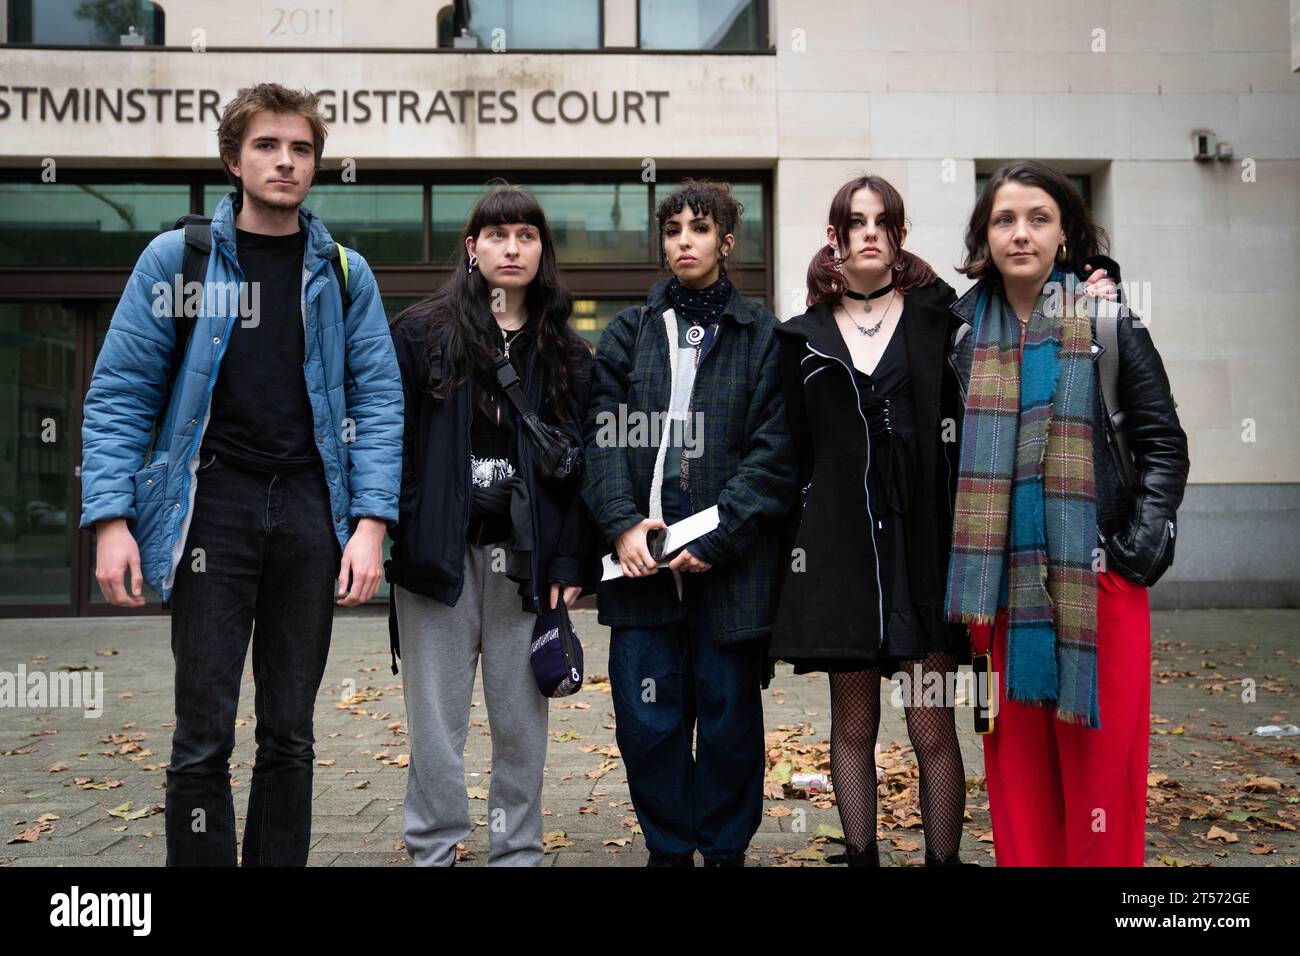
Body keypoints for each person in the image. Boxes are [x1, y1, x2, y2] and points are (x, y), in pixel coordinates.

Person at [80, 83, 403, 866]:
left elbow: (380, 399)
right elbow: (122, 393)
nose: (285, 161)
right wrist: (111, 519)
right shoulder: (178, 258)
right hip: (210, 506)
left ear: (316, 164)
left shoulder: (341, 270)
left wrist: (370, 524)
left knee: (290, 732)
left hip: (306, 508)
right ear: (234, 158)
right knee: (202, 734)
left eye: (300, 148)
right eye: (267, 145)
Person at [946, 160, 1189, 866]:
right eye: (1003, 219)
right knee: (1018, 789)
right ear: (984, 235)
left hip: (1097, 584)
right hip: (999, 597)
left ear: (1066, 234)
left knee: (1100, 782)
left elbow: (1162, 445)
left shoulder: (1109, 323)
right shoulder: (959, 338)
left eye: (1038, 218)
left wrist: (1138, 548)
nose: (1020, 233)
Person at [582, 178, 797, 866]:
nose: (684, 241)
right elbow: (602, 436)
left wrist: (720, 534)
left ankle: (725, 849)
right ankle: (670, 851)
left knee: (731, 721)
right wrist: (620, 524)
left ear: (726, 242)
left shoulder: (762, 334)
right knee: (648, 721)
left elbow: (775, 451)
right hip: (641, 567)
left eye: (699, 230)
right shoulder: (629, 331)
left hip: (731, 572)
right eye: (673, 230)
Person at [385, 183, 592, 867]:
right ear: (472, 248)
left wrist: (567, 564)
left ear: (542, 250)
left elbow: (580, 472)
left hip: (523, 565)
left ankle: (517, 853)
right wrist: (408, 527)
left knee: (520, 724)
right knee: (436, 726)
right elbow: (392, 444)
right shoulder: (421, 334)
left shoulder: (565, 350)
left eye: (526, 235)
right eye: (497, 235)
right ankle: (434, 848)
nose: (512, 247)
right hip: (437, 561)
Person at [769, 175, 973, 866]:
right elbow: (791, 451)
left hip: (925, 552)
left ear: (900, 237)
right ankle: (861, 857)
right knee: (852, 722)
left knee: (930, 723)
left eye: (882, 221)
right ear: (834, 237)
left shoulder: (939, 321)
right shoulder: (799, 338)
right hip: (844, 555)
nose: (868, 233)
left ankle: (943, 863)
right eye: (854, 222)